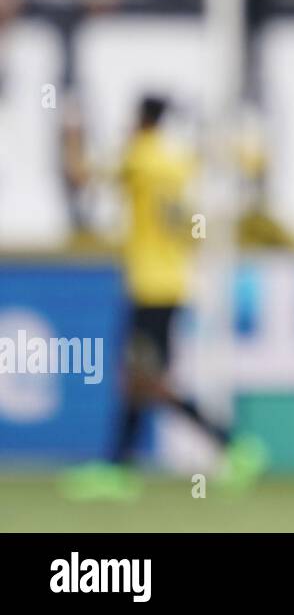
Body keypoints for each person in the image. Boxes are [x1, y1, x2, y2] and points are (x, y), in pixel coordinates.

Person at [61, 95, 266, 501]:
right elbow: (243, 163)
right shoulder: (177, 159)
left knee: (147, 379)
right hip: (174, 283)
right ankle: (118, 467)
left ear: (141, 120)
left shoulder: (139, 157)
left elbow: (81, 175)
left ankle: (229, 446)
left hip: (150, 285)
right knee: (141, 379)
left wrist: (71, 135)